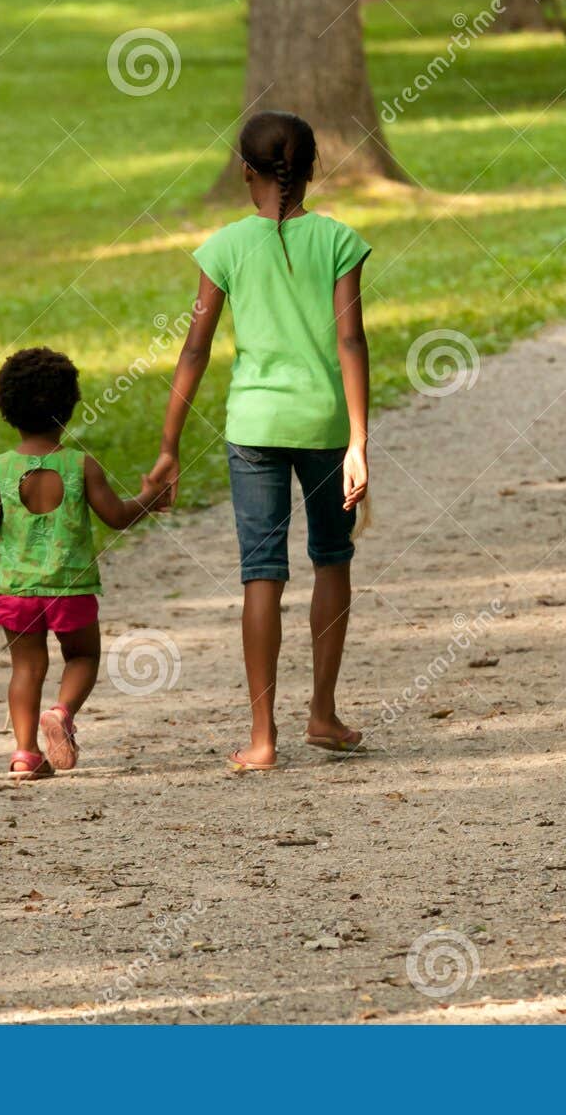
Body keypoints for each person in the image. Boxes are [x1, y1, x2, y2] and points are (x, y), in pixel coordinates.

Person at [148, 110, 371, 773]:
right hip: (325, 425)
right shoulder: (339, 239)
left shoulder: (223, 247)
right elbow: (351, 339)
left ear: (246, 171)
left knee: (261, 573)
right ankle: (323, 714)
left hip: (253, 427)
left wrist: (169, 444)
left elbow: (195, 347)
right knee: (333, 558)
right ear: (311, 171)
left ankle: (262, 737)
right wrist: (359, 438)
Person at [0, 348, 170, 777]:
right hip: (70, 588)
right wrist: (150, 498)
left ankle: (25, 754)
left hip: (16, 590)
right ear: (70, 406)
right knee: (83, 657)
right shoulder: (81, 465)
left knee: (26, 666)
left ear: (5, 408)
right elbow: (116, 517)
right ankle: (61, 712)